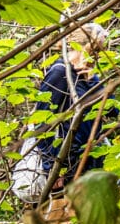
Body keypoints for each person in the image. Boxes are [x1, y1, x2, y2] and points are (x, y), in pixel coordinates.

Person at [34, 22, 112, 185]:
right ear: (82, 47)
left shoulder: (88, 77)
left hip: (90, 162)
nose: (97, 57)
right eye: (95, 51)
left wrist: (93, 81)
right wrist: (52, 170)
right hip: (66, 165)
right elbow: (42, 123)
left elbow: (112, 111)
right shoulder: (60, 73)